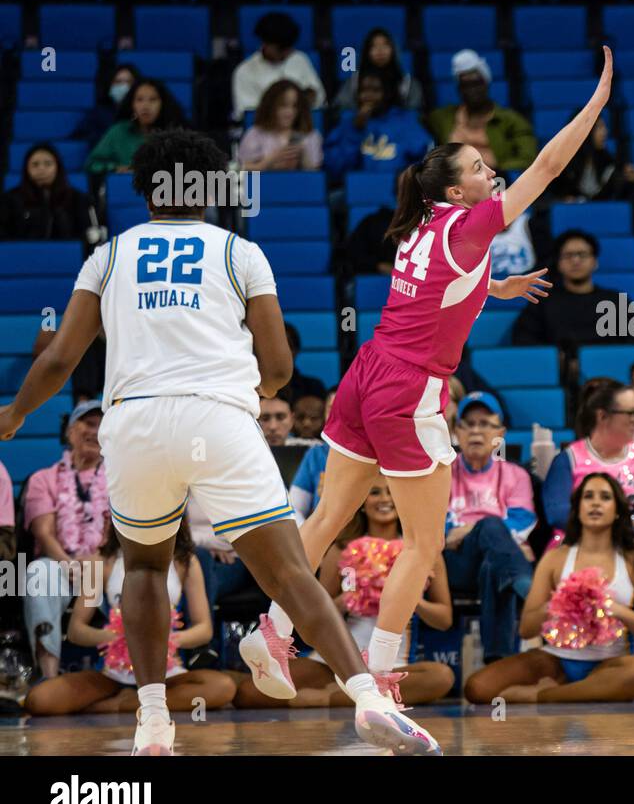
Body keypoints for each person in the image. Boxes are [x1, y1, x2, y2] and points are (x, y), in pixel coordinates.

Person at [0, 128, 438, 755]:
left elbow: (60, 360)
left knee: (147, 567)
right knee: (288, 571)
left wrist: (15, 414)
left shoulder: (109, 255)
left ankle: (153, 726)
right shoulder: (240, 253)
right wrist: (234, 393)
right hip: (220, 421)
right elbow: (281, 366)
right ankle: (368, 696)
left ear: (144, 190)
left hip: (136, 423)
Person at [251, 53, 611, 710]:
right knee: (422, 541)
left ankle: (272, 629)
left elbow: (437, 291)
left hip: (363, 373)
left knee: (330, 514)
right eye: (476, 167)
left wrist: (495, 285)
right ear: (455, 192)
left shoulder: (423, 227)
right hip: (408, 388)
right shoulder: (473, 224)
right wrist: (594, 105)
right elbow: (550, 167)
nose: (487, 168)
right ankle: (380, 677)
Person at [233, 477, 455, 708]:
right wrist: (350, 598)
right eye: (375, 493)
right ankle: (355, 690)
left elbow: (444, 619)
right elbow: (309, 610)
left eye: (391, 493)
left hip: (391, 666)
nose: (385, 499)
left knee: (441, 677)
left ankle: (330, 698)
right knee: (249, 693)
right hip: (332, 664)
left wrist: (407, 597)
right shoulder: (339, 550)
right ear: (362, 501)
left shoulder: (423, 553)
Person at [462, 472, 634, 704]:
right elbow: (527, 629)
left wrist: (614, 609)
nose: (596, 503)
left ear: (618, 510)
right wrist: (558, 604)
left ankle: (544, 696)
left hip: (609, 663)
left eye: (605, 497)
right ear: (577, 508)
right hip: (555, 660)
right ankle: (584, 693)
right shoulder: (554, 558)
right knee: (477, 688)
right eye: (588, 497)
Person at [24, 523, 238, 716]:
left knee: (222, 687)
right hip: (114, 675)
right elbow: (76, 630)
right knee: (39, 700)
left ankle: (118, 706)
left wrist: (169, 639)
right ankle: (136, 703)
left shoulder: (185, 560)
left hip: (166, 674)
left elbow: (204, 629)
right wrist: (115, 636)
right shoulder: (103, 562)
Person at [446, 391, 537, 663]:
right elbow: (436, 528)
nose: (476, 431)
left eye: (485, 424)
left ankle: (498, 660)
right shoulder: (440, 472)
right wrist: (479, 529)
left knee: (494, 566)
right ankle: (531, 592)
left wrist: (470, 528)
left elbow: (524, 519)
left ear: (501, 432)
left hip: (492, 559)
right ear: (456, 431)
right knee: (492, 526)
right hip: (456, 561)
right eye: (468, 423)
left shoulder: (516, 475)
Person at [20, 400, 109, 679]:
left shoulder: (120, 478)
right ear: (70, 432)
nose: (95, 431)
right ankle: (49, 676)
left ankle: (128, 672)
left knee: (134, 574)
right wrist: (70, 564)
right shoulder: (43, 479)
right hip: (60, 562)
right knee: (38, 573)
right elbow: (44, 533)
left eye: (101, 425)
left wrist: (99, 560)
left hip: (105, 563)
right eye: (88, 424)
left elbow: (118, 532)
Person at [542, 378, 634, 553]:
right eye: (631, 413)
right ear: (603, 416)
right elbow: (557, 514)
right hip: (579, 547)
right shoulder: (568, 460)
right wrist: (613, 530)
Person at [508, 230, 623, 352]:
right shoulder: (542, 302)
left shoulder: (615, 301)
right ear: (558, 263)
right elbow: (523, 340)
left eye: (582, 254)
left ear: (595, 262)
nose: (575, 261)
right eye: (568, 255)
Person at [428, 49, 537, 171]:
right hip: (452, 184)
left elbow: (528, 158)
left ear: (486, 83)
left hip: (496, 183)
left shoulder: (511, 120)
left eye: (476, 83)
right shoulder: (443, 117)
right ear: (459, 88)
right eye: (465, 85)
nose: (472, 90)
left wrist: (497, 171)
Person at [324, 72, 433, 184]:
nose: (368, 96)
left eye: (375, 90)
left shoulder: (407, 120)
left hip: (397, 192)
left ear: (387, 94)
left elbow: (424, 162)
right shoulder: (347, 122)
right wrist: (354, 130)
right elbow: (336, 170)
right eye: (363, 90)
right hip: (355, 191)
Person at [1, 144, 99, 247]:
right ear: (26, 169)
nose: (41, 169)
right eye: (35, 164)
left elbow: (89, 237)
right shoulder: (10, 199)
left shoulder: (78, 198)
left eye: (48, 164)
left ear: (58, 167)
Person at [232, 11, 325, 118]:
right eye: (281, 49)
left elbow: (319, 98)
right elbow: (248, 114)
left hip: (303, 126)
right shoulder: (245, 71)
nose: (286, 54)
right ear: (265, 43)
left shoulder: (299, 58)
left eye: (288, 48)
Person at [86, 79, 186, 178]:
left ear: (163, 104)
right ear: (132, 104)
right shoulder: (119, 131)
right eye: (139, 99)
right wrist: (115, 168)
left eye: (153, 99)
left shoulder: (176, 134)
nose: (146, 106)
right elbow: (91, 164)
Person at [547, 114, 634, 202]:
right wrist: (562, 199)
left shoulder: (609, 162)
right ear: (585, 131)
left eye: (604, 127)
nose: (605, 132)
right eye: (599, 127)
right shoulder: (562, 163)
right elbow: (550, 194)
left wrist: (628, 178)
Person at [237, 79, 324, 172]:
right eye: (283, 105)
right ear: (270, 106)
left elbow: (316, 178)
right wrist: (267, 163)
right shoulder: (255, 134)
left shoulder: (310, 135)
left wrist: (304, 159)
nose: (289, 112)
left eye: (294, 106)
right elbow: (239, 168)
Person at [332, 27, 425, 112]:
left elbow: (414, 114)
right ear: (366, 52)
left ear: (393, 50)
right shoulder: (355, 81)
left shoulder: (406, 83)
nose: (380, 50)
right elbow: (340, 110)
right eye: (374, 46)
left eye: (385, 45)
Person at [289, 388, 336, 520]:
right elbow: (295, 508)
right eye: (331, 409)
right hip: (324, 536)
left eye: (346, 409)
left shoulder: (374, 453)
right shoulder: (316, 454)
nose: (338, 415)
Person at [72, 63, 140, 141]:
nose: (124, 87)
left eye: (129, 82)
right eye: (118, 82)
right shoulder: (98, 115)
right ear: (109, 86)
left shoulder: (143, 113)